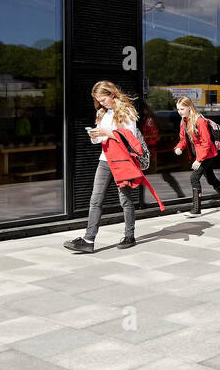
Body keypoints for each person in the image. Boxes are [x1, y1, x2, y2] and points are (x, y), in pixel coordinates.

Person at [64, 81, 156, 253]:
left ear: (112, 94)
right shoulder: (102, 112)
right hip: (105, 159)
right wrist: (95, 135)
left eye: (103, 98)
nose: (101, 102)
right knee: (95, 199)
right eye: (98, 100)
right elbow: (100, 139)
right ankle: (89, 239)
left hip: (122, 161)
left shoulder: (127, 110)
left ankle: (130, 235)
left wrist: (106, 132)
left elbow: (128, 137)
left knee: (125, 199)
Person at [173, 96, 220, 216]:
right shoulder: (184, 121)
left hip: (207, 154)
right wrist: (179, 147)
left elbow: (206, 143)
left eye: (182, 109)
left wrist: (199, 160)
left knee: (194, 178)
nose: (179, 112)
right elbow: (183, 139)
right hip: (201, 154)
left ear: (189, 107)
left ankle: (196, 209)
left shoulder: (200, 121)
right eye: (178, 109)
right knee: (210, 178)